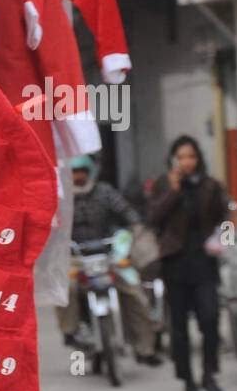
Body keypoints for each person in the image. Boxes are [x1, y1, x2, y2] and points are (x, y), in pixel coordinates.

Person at [146, 135, 230, 391]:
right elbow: (153, 218)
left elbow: (226, 215)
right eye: (181, 157)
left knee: (210, 318)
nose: (187, 162)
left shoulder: (210, 185)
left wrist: (223, 239)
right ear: (173, 160)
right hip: (175, 263)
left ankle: (209, 375)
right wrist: (173, 190)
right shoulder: (163, 185)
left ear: (198, 158)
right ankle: (188, 380)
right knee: (179, 326)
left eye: (191, 156)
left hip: (204, 262)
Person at [57, 155, 161, 365]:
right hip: (76, 258)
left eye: (82, 171)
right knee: (65, 288)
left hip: (108, 256)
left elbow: (127, 212)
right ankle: (70, 331)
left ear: (90, 172)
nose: (78, 176)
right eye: (74, 172)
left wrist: (134, 228)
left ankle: (144, 348)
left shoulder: (104, 191)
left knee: (134, 291)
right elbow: (51, 222)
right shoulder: (62, 197)